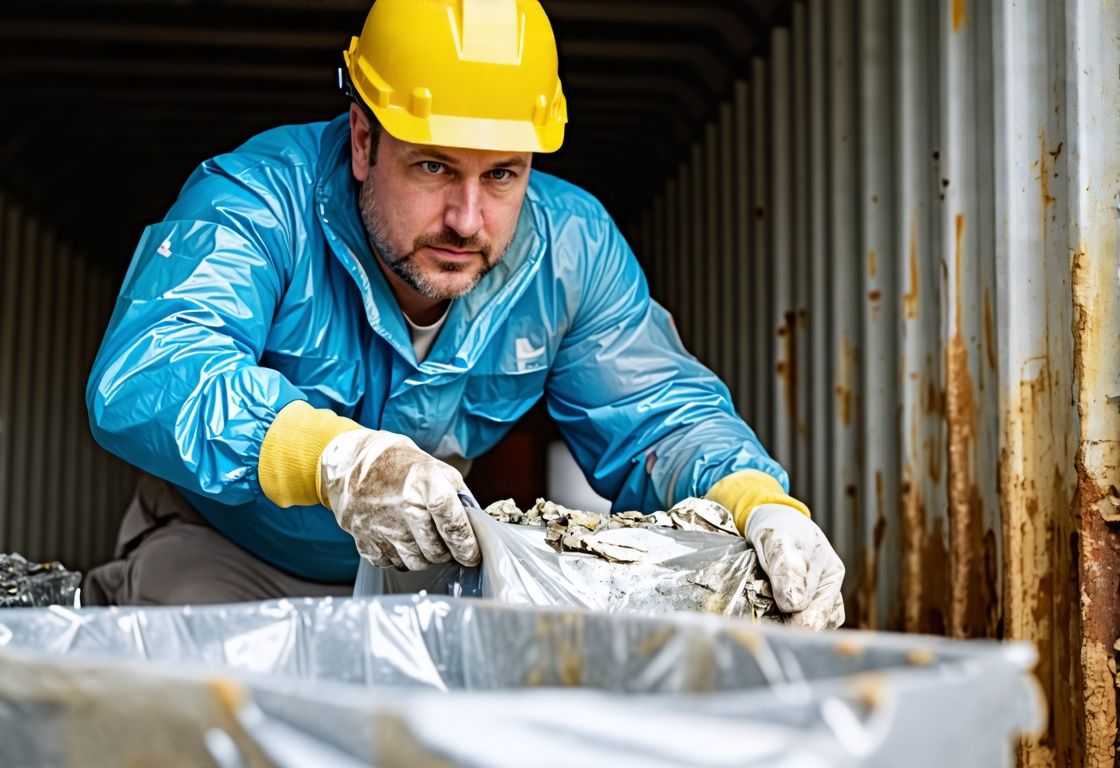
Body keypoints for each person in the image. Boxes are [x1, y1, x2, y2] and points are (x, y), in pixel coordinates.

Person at [83, 0, 845, 629]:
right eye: (434, 166)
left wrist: (756, 503)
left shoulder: (571, 251)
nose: (468, 219)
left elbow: (660, 421)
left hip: (426, 572)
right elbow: (154, 369)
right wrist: (333, 459)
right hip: (226, 550)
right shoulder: (257, 201)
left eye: (503, 175)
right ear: (361, 140)